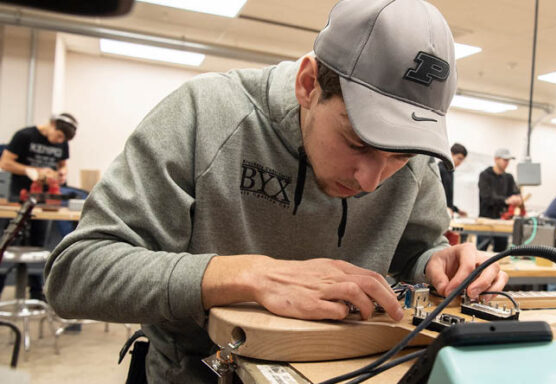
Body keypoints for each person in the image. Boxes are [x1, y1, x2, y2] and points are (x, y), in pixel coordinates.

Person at [43, 1, 508, 382]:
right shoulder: (206, 114)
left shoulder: (413, 159)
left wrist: (433, 263)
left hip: (348, 370)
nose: (372, 180)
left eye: (400, 157)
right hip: (195, 372)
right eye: (357, 143)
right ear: (309, 84)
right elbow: (75, 273)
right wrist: (248, 275)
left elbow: (413, 249)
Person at [0, 113, 77, 300]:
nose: (59, 141)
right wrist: (29, 170)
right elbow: (5, 162)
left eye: (63, 140)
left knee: (38, 245)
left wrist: (61, 174)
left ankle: (36, 295)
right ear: (51, 124)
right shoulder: (25, 136)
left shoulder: (62, 142)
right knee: (7, 246)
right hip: (19, 198)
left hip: (44, 202)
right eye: (58, 136)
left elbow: (62, 165)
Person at [477, 148, 521, 252]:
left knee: (501, 253)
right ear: (496, 159)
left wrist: (518, 198)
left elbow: (515, 193)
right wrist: (506, 201)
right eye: (505, 160)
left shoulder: (509, 178)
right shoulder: (485, 175)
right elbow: (486, 197)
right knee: (480, 251)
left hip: (503, 222)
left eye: (508, 161)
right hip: (486, 221)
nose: (507, 163)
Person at [438, 143, 468, 217]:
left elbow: (447, 199)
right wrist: (445, 208)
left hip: (446, 214)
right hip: (438, 214)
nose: (460, 163)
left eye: (462, 160)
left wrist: (457, 210)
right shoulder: (439, 169)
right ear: (450, 154)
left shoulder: (450, 172)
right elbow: (436, 196)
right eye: (459, 158)